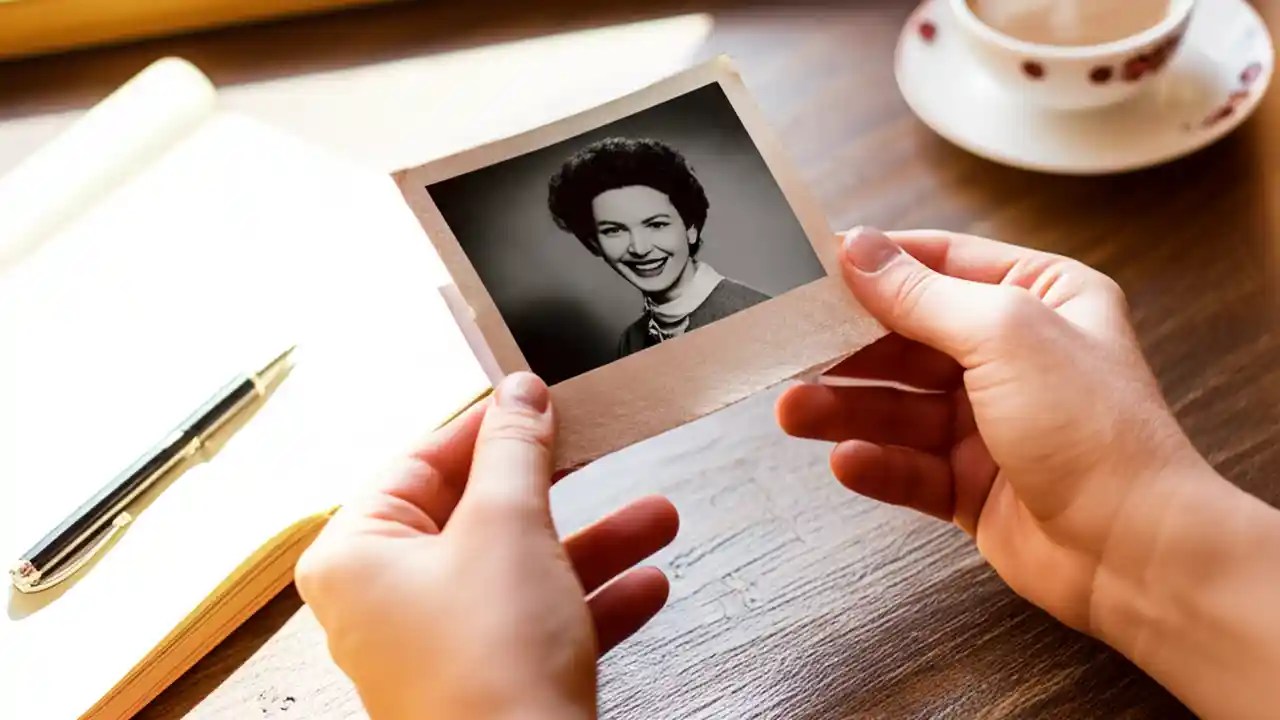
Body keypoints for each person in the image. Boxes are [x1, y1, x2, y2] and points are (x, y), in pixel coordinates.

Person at [295, 227, 1280, 719]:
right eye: (611, 234)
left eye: (652, 223)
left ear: (691, 227)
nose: (636, 247)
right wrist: (1139, 543)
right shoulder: (620, 341)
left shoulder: (750, 303)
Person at [546, 137, 769, 359]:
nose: (640, 248)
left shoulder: (754, 314)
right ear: (594, 244)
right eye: (614, 230)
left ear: (691, 228)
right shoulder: (631, 342)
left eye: (657, 225)